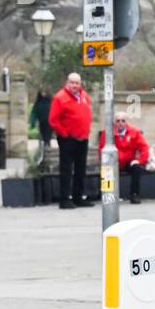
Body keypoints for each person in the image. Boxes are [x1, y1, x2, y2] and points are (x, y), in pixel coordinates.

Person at [48, 71, 94, 209]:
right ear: (67, 83)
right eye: (72, 82)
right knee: (66, 169)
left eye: (77, 83)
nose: (75, 85)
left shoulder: (84, 96)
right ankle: (64, 199)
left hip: (82, 138)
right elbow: (53, 120)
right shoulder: (60, 98)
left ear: (81, 84)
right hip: (68, 139)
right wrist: (64, 134)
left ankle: (78, 197)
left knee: (81, 169)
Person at [112, 112, 150, 204]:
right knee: (106, 170)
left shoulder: (134, 132)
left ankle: (134, 194)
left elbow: (144, 148)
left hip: (128, 162)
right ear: (114, 122)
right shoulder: (108, 133)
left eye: (123, 121)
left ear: (126, 122)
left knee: (136, 168)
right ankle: (108, 195)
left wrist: (139, 161)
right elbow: (102, 149)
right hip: (113, 162)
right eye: (118, 121)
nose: (120, 123)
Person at [29, 88, 53, 155]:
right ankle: (45, 145)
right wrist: (33, 122)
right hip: (42, 121)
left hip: (50, 121)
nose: (43, 94)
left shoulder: (51, 101)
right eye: (42, 92)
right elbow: (34, 112)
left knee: (48, 134)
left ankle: (47, 144)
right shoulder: (38, 102)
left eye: (45, 92)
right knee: (43, 133)